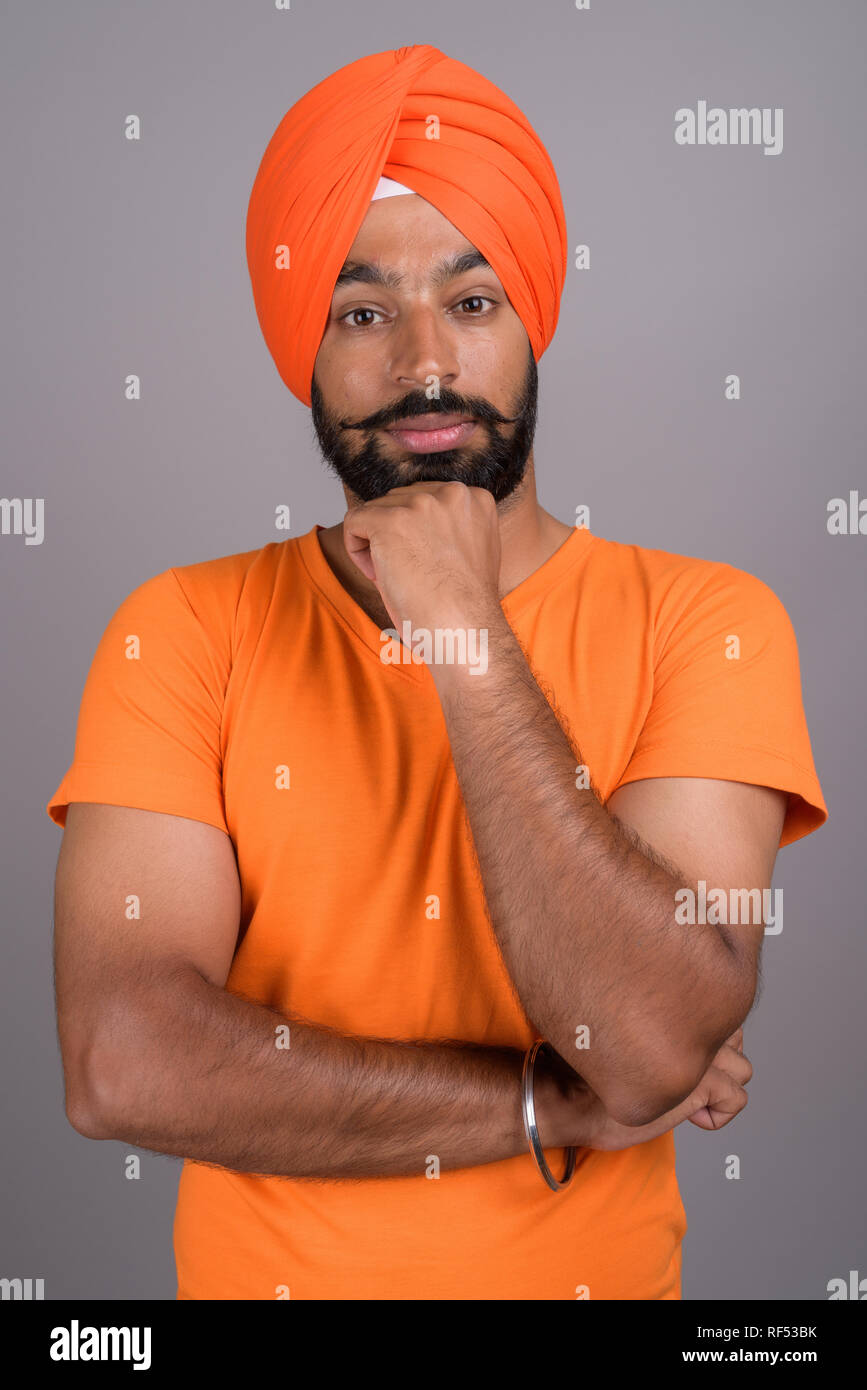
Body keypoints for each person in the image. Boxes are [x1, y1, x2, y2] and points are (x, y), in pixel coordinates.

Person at [47, 44, 827, 1301]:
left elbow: (646, 1040)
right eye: (363, 312)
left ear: (532, 324)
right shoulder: (181, 628)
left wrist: (463, 630)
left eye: (471, 303)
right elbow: (125, 1064)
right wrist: (548, 1105)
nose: (423, 363)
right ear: (304, 343)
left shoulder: (708, 620)